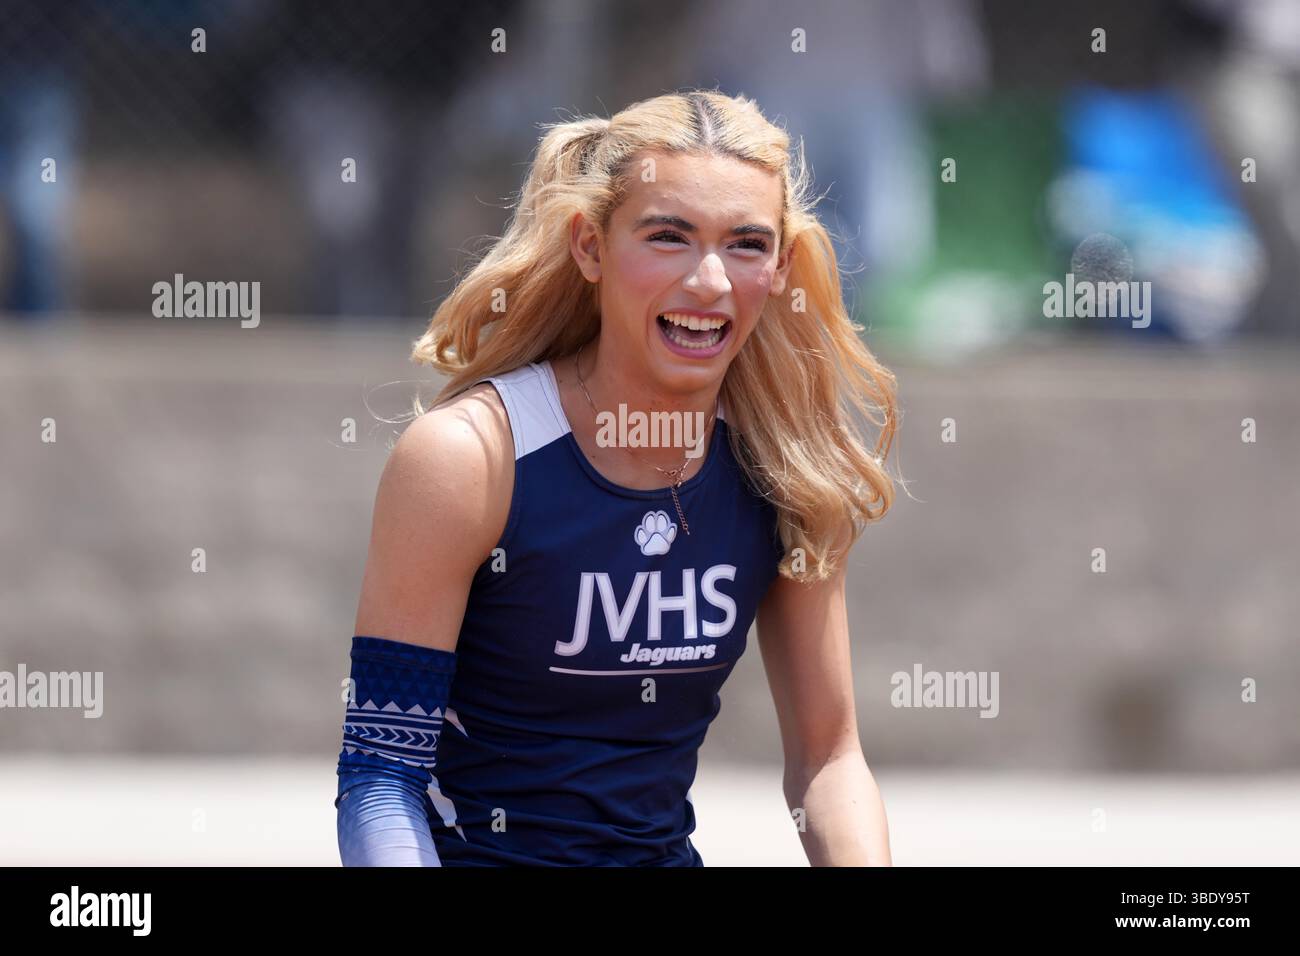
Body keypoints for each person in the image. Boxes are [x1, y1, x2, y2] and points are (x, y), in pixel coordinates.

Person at [335, 89, 898, 866]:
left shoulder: (783, 466)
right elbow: (379, 777)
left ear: (780, 266)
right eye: (668, 236)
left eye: (746, 244)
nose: (710, 281)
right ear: (590, 247)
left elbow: (829, 761)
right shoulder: (469, 458)